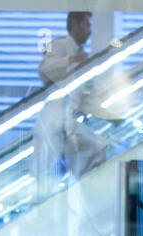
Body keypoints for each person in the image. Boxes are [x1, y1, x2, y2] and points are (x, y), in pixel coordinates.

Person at [33, 11, 107, 195]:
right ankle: (39, 206)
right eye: (86, 25)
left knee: (97, 148)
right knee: (44, 171)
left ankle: (84, 195)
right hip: (53, 119)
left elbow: (85, 99)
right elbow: (44, 69)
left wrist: (110, 116)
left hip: (69, 121)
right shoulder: (58, 46)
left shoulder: (85, 58)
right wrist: (72, 60)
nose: (89, 31)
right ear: (74, 25)